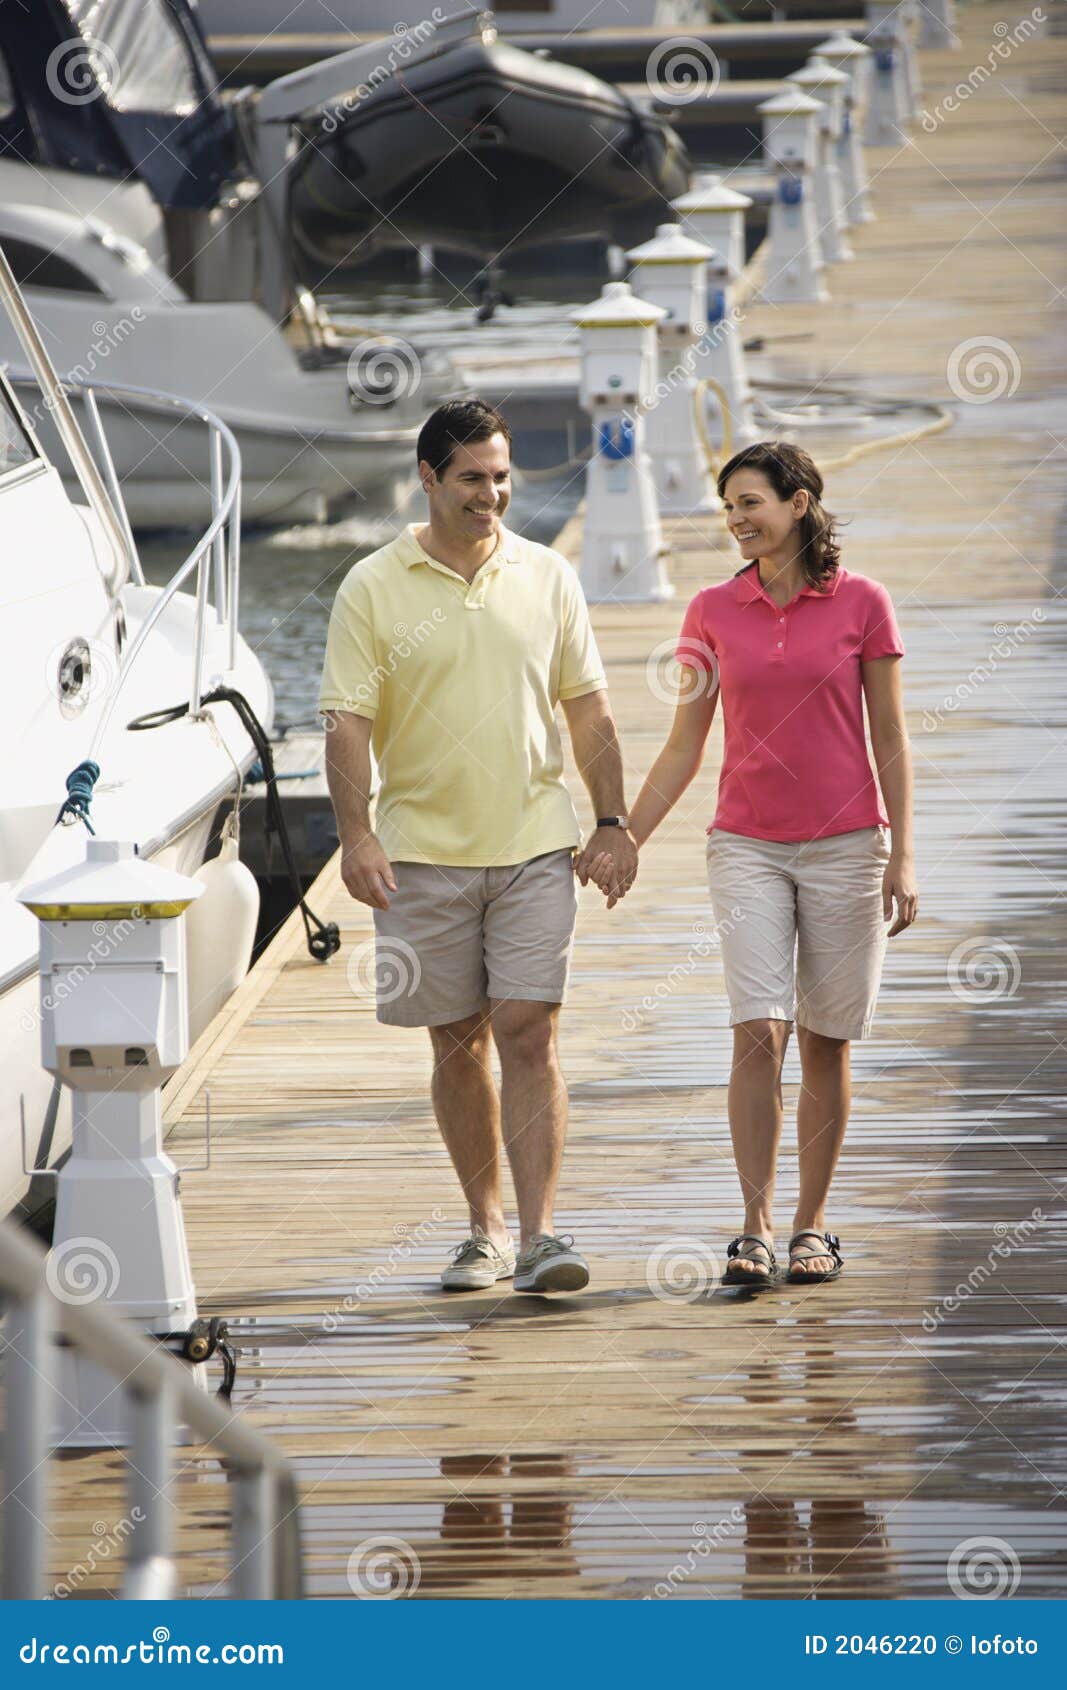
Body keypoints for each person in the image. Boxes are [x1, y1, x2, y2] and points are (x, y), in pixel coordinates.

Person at [319, 399, 637, 1295]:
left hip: (537, 843)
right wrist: (356, 836)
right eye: (471, 478)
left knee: (527, 1032)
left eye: (501, 477)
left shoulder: (549, 577)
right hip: (420, 852)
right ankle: (484, 1230)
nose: (491, 493)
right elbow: (346, 723)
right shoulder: (372, 587)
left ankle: (540, 1235)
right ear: (428, 479)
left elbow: (590, 710)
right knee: (456, 1044)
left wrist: (613, 823)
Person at [616, 441, 917, 1289]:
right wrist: (625, 836)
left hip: (851, 841)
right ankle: (750, 1225)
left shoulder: (863, 602)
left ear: (798, 503)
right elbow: (684, 744)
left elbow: (890, 738)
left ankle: (810, 1228)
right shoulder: (710, 610)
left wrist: (904, 857)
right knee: (759, 1031)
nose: (736, 520)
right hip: (744, 843)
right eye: (728, 508)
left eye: (749, 503)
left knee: (826, 1041)